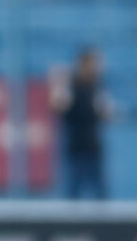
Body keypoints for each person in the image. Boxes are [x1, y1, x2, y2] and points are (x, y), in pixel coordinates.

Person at [49, 47, 114, 199]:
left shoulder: (97, 87)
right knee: (73, 195)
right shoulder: (71, 86)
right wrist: (58, 82)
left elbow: (106, 114)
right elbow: (58, 106)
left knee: (101, 196)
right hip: (75, 149)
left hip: (94, 149)